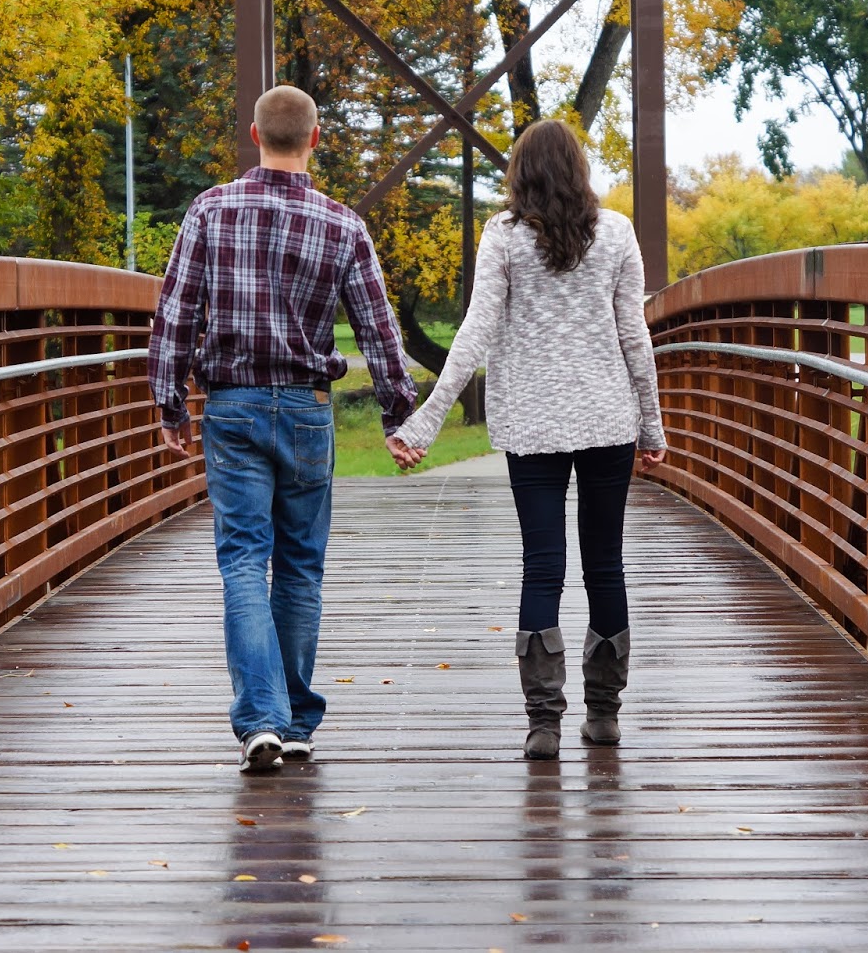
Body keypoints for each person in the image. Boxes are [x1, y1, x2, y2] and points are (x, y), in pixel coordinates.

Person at [148, 85, 419, 774]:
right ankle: (294, 722)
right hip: (304, 409)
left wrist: (170, 402)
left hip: (233, 406)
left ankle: (259, 722)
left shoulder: (209, 211)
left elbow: (175, 313)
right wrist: (397, 412)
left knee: (243, 558)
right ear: (316, 139)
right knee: (300, 564)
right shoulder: (343, 226)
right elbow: (378, 329)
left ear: (253, 133)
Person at [388, 118, 667, 760]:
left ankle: (543, 723)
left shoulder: (505, 238)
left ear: (520, 174)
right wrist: (651, 424)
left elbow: (475, 331)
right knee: (606, 563)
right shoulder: (617, 233)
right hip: (607, 422)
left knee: (542, 566)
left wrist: (426, 422)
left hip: (533, 426)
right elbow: (635, 341)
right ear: (579, 170)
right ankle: (604, 716)